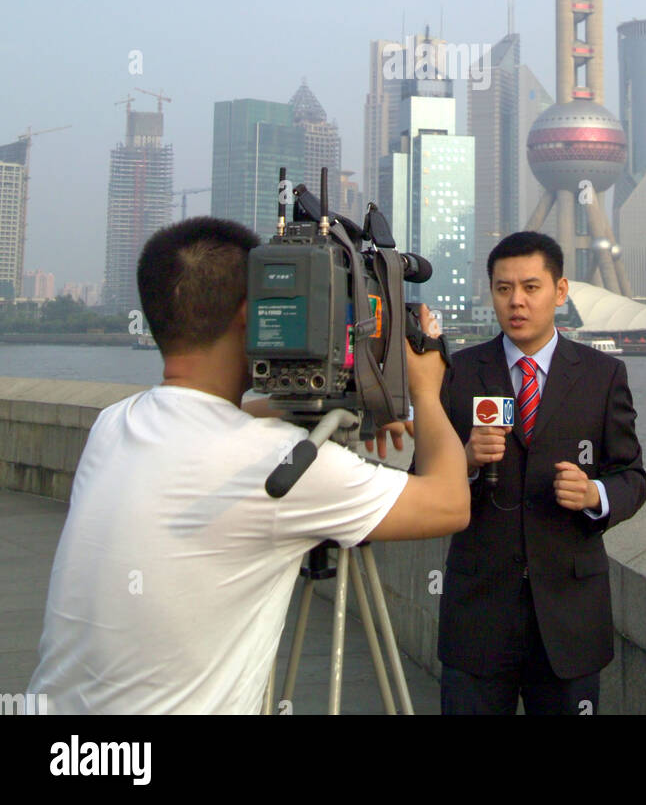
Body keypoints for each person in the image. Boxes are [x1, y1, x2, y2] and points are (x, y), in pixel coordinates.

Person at [27, 216, 468, 715]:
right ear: (251, 313)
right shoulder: (279, 468)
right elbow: (450, 504)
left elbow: (220, 416)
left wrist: (357, 398)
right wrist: (425, 390)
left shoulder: (114, 426)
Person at [437, 230, 646, 715]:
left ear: (560, 291)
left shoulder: (602, 376)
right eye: (503, 288)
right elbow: (422, 477)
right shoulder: (458, 372)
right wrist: (464, 461)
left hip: (570, 617)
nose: (517, 302)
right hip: (478, 614)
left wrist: (595, 494)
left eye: (531, 287)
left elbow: (633, 477)